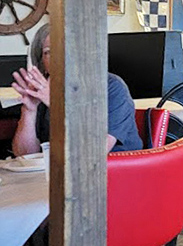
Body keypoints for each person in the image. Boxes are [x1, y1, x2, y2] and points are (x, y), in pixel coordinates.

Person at [11, 23, 142, 157]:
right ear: (42, 63)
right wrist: (29, 111)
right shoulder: (42, 90)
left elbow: (94, 152)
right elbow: (25, 156)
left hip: (114, 171)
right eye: (49, 52)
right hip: (57, 172)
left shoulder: (112, 87)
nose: (59, 58)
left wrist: (55, 103)